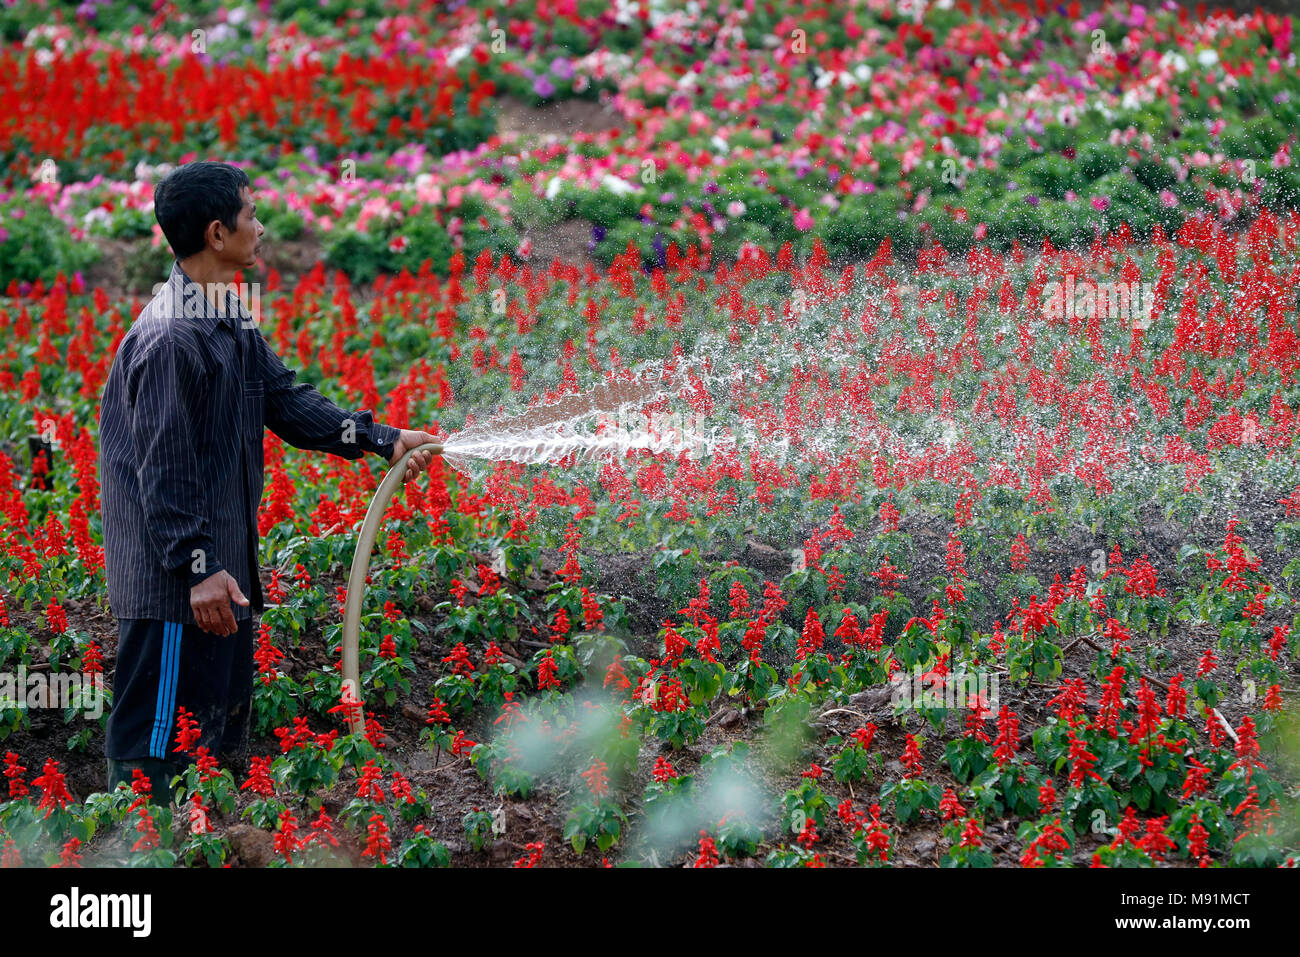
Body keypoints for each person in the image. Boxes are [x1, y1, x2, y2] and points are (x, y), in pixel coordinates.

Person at [97, 161, 438, 801]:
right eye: (253, 215)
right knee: (158, 749)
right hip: (177, 590)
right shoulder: (172, 337)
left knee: (213, 741)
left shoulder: (224, 313)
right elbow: (162, 474)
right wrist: (197, 568)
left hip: (218, 572)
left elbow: (282, 399)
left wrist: (380, 439)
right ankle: (134, 861)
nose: (264, 226)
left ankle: (207, 840)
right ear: (218, 233)